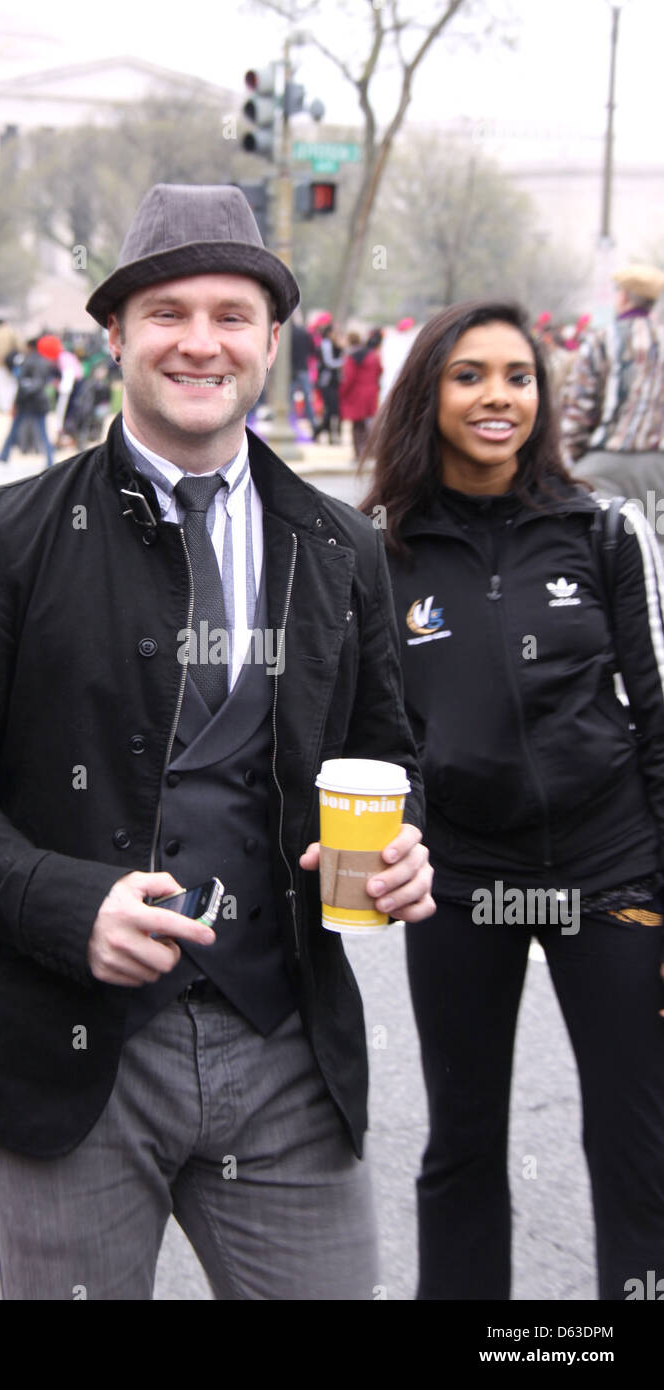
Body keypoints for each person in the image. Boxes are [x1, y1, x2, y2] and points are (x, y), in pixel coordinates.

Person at [0, 182, 434, 1301]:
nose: (199, 341)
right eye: (166, 312)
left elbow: (385, 751)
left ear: (271, 340)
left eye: (231, 314)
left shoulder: (338, 548)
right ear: (116, 335)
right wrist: (59, 900)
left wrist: (403, 844)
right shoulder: (7, 535)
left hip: (283, 1044)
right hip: (63, 1048)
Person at [360, 298, 664, 1301]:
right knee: (460, 1142)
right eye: (468, 375)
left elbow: (656, 715)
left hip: (610, 871)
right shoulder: (376, 550)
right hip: (459, 877)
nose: (498, 395)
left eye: (517, 376)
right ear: (427, 396)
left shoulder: (604, 530)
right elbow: (358, 732)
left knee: (636, 1141)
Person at [561, 264, 664, 520]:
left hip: (603, 464)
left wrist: (575, 455)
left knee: (596, 537)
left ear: (625, 297)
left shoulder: (600, 341)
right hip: (658, 467)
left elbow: (578, 408)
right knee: (656, 543)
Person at [0, 338, 58, 469]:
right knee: (43, 432)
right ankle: (50, 458)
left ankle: (4, 455)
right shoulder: (44, 362)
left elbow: (22, 381)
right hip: (40, 401)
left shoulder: (26, 361)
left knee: (14, 429)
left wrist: (18, 399)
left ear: (29, 347)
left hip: (26, 401)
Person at [340, 328, 383, 466]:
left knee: (356, 424)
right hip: (371, 391)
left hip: (356, 393)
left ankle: (359, 453)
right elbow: (380, 370)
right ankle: (372, 451)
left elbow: (349, 378)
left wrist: (342, 392)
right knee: (369, 422)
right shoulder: (372, 354)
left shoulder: (350, 357)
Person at [312, 319, 344, 444]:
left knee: (333, 410)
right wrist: (343, 362)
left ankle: (327, 434)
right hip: (327, 381)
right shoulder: (325, 344)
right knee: (331, 409)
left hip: (334, 381)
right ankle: (319, 431)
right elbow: (329, 362)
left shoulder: (333, 343)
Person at [289, 313, 317, 437]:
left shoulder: (287, 335)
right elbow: (312, 350)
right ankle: (313, 423)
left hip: (291, 370)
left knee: (289, 399)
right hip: (303, 368)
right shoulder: (304, 333)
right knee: (307, 397)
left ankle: (291, 422)